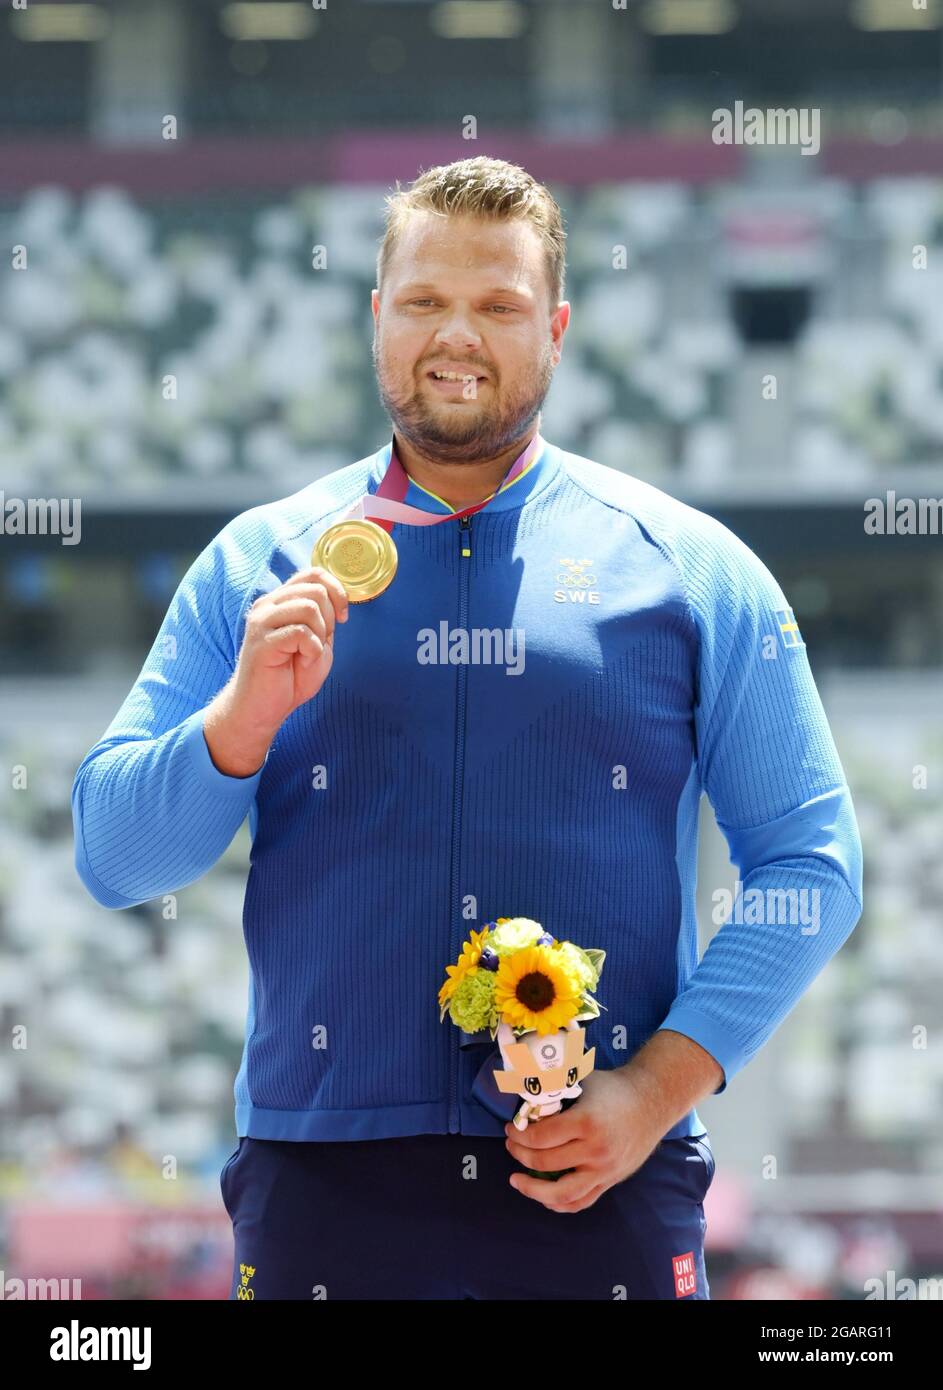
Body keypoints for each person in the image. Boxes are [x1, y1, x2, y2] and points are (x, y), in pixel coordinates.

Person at [71, 156, 863, 1300]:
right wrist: (237, 723)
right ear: (375, 316)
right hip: (318, 1175)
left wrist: (652, 1091)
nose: (456, 335)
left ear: (556, 329)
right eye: (424, 301)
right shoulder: (258, 563)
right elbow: (114, 857)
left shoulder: (693, 569)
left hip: (598, 1173)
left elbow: (811, 865)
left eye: (497, 304)